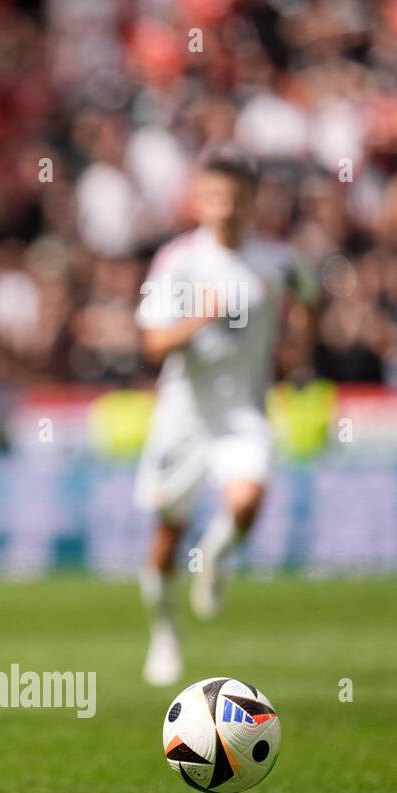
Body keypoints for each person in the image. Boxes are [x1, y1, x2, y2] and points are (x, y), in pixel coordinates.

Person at [135, 144, 320, 686]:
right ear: (199, 199)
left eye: (235, 198)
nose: (224, 207)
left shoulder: (276, 261)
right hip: (184, 416)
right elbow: (151, 345)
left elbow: (310, 297)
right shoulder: (178, 261)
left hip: (243, 411)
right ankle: (164, 635)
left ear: (252, 202)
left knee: (248, 497)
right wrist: (200, 319)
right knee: (167, 535)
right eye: (214, 196)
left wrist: (296, 351)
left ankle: (214, 557)